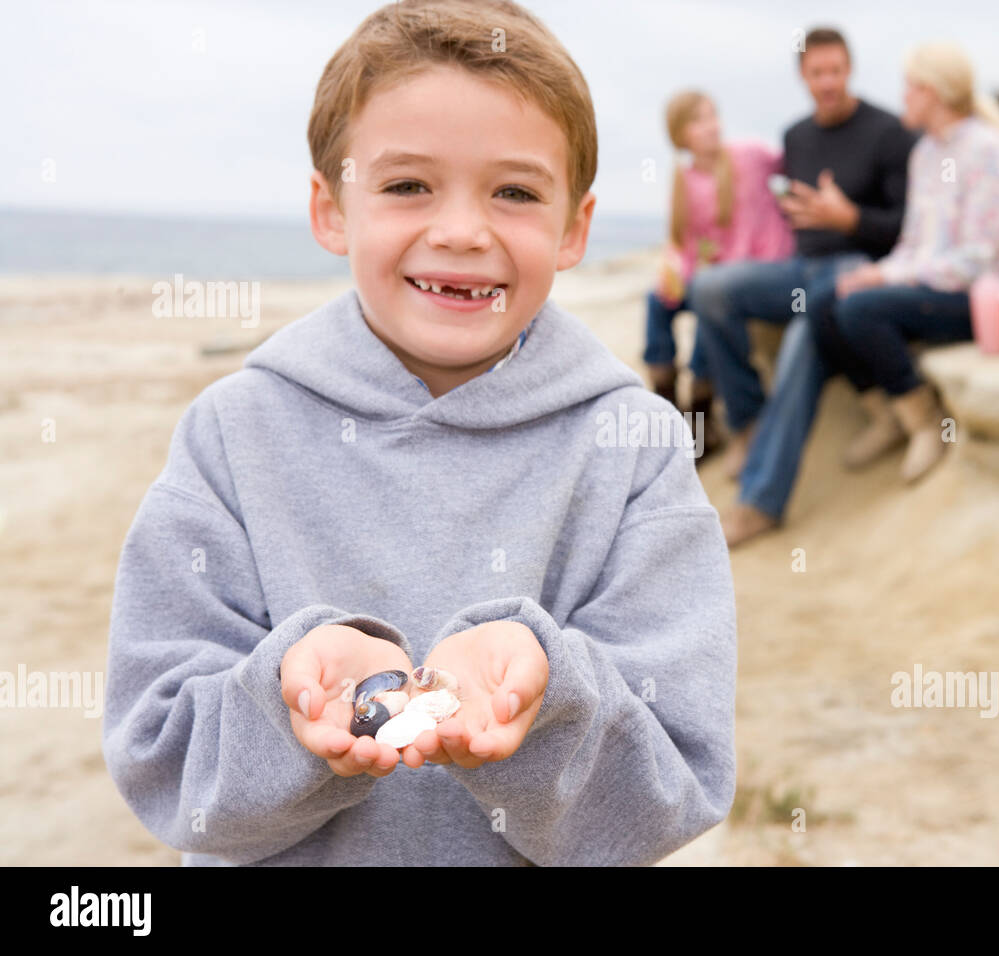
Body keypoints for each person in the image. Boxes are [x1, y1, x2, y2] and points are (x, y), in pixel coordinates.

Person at [101, 0, 737, 867]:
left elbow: (675, 789)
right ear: (331, 209)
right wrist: (287, 711)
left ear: (575, 228)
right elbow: (161, 762)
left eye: (515, 192)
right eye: (407, 186)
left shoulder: (636, 448)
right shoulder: (231, 435)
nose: (462, 231)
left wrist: (543, 700)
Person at [722, 40, 999, 547]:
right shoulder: (929, 153)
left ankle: (924, 424)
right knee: (831, 299)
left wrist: (888, 279)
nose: (903, 97)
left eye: (910, 86)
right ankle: (889, 415)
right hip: (935, 280)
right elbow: (914, 243)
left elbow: (977, 259)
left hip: (983, 293)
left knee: (862, 307)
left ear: (933, 92)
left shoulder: (986, 150)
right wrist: (880, 272)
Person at [688, 26, 917, 485]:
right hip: (799, 267)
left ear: (849, 70)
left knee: (801, 334)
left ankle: (761, 497)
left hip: (858, 263)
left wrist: (849, 220)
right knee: (708, 288)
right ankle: (747, 424)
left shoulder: (889, 131)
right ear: (803, 76)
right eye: (817, 72)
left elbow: (908, 229)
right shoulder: (794, 136)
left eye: (835, 70)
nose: (828, 81)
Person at [645, 90, 795, 459]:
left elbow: (797, 163)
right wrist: (673, 271)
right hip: (722, 274)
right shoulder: (684, 180)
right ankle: (670, 413)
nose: (712, 125)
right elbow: (685, 243)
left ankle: (700, 415)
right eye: (699, 120)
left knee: (706, 298)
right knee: (656, 299)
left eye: (714, 115)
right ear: (681, 135)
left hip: (765, 267)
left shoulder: (749, 155)